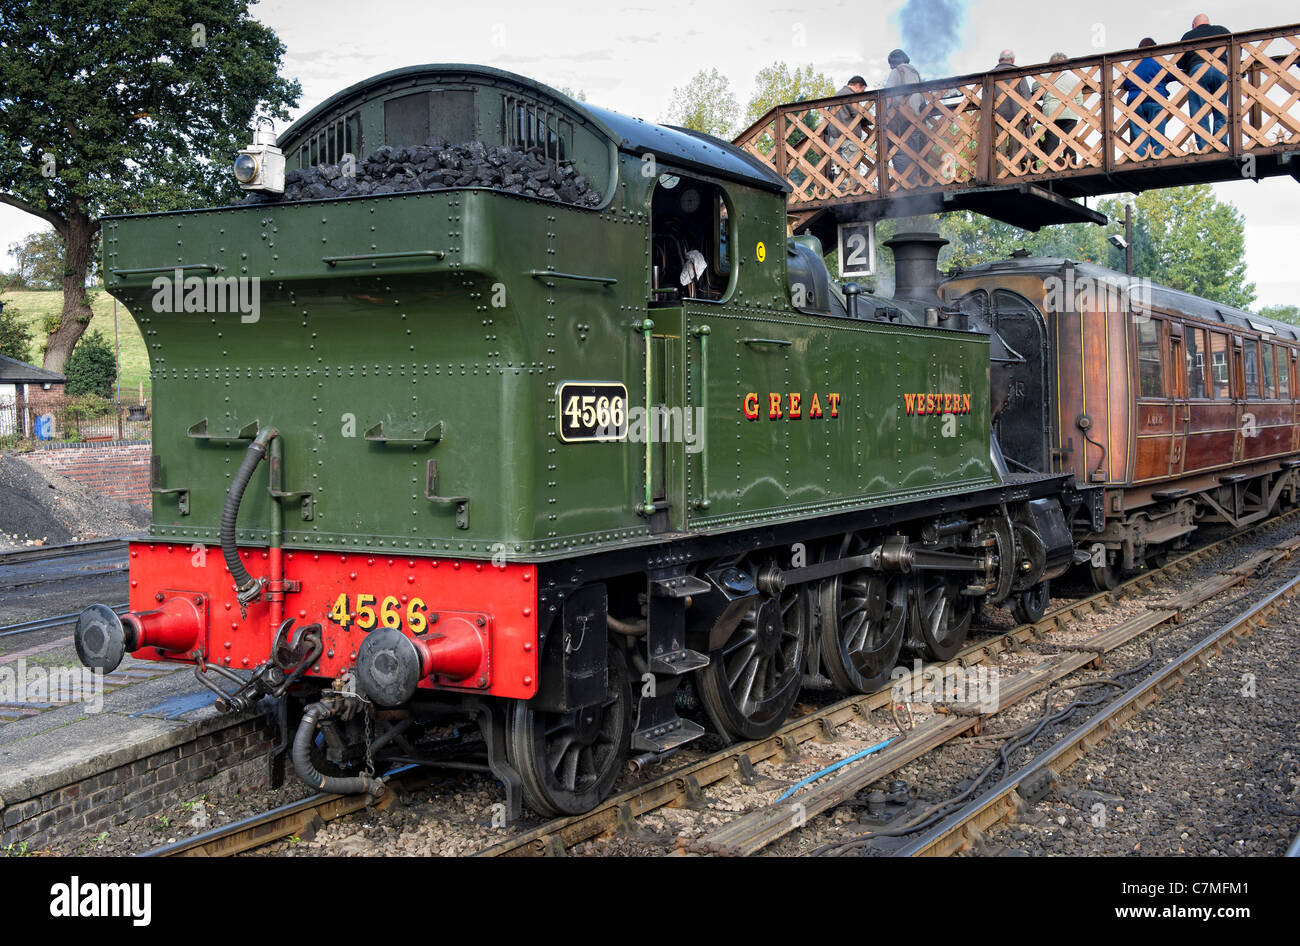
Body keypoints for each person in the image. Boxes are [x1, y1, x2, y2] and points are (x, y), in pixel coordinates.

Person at [1177, 14, 1230, 151]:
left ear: (1194, 25)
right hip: (1220, 69)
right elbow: (1237, 51)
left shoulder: (1188, 35)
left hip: (1198, 71)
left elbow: (1179, 62)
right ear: (1209, 22)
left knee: (1199, 110)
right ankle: (1221, 143)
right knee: (1221, 108)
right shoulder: (1222, 30)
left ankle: (1204, 146)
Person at [1122, 38, 1170, 158]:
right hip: (1156, 100)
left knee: (1139, 133)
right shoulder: (1159, 62)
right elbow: (1172, 75)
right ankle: (1157, 155)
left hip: (1135, 102)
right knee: (1157, 132)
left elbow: (1125, 84)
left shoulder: (1133, 64)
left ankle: (1141, 157)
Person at [883, 50, 925, 180]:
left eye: (890, 63)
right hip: (917, 118)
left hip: (901, 118)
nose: (890, 66)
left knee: (899, 152)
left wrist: (884, 115)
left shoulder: (896, 72)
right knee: (916, 152)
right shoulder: (915, 73)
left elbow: (887, 95)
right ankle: (915, 181)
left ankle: (905, 183)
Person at [821, 76, 868, 186]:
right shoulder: (850, 95)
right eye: (862, 91)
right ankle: (850, 194)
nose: (861, 95)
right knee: (851, 170)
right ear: (857, 85)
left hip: (833, 139)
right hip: (848, 139)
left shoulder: (837, 94)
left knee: (838, 171)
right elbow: (859, 114)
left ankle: (839, 193)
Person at [1039, 52, 1084, 168]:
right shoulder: (1074, 79)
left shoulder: (1046, 78)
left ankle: (1051, 166)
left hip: (1051, 113)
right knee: (1069, 141)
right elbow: (1079, 101)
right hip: (1070, 113)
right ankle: (1071, 165)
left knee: (1052, 141)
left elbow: (1035, 88)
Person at [992, 49, 1032, 172]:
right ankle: (1016, 171)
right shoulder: (1018, 73)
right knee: (1016, 147)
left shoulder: (991, 75)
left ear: (999, 61)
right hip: (1017, 114)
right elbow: (1026, 95)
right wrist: (1028, 115)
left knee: (1000, 148)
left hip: (997, 115)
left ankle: (1001, 173)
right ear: (1013, 60)